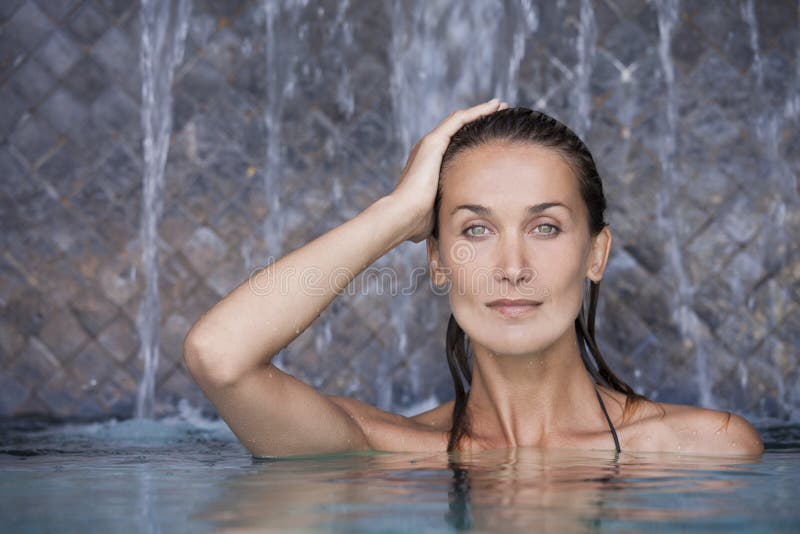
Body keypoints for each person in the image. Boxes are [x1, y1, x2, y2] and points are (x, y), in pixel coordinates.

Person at [183, 99, 764, 458]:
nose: (512, 269)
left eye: (545, 228)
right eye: (476, 231)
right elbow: (219, 355)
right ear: (437, 260)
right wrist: (396, 213)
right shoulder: (387, 450)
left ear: (596, 253)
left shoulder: (706, 449)